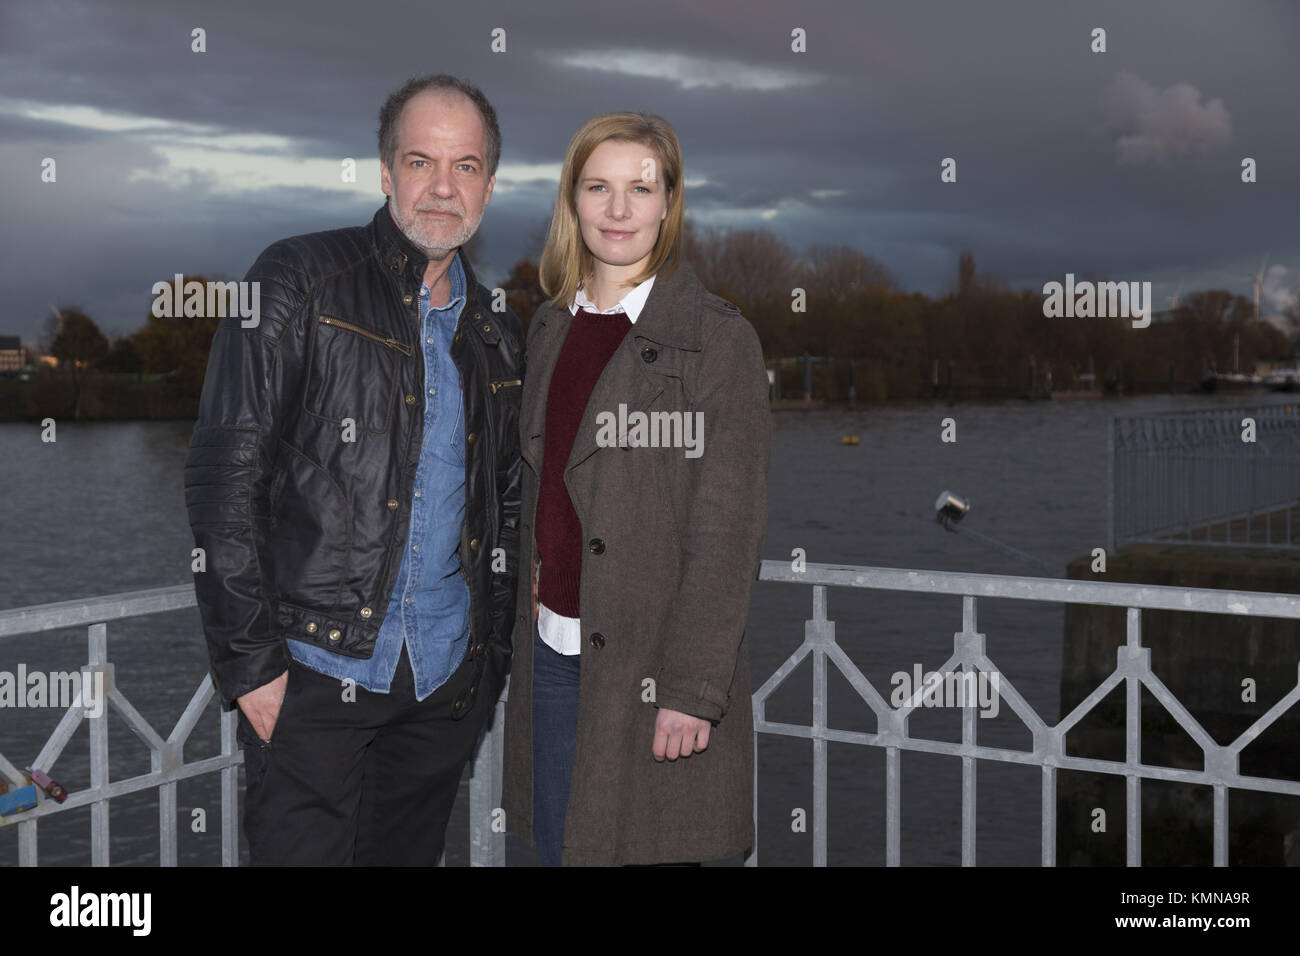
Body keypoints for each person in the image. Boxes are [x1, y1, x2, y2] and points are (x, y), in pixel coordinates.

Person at [184, 74, 523, 865]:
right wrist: (252, 669)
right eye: (420, 161)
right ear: (383, 171)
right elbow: (223, 477)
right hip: (311, 675)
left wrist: (488, 666)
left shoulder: (500, 332)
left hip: (440, 683)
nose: (443, 187)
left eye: (466, 166)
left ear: (490, 185)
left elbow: (505, 505)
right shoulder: (296, 280)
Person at [500, 112, 770, 865]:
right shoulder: (550, 327)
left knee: (652, 849)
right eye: (599, 187)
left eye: (640, 189)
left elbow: (728, 531)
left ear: (668, 203)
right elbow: (541, 483)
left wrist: (691, 686)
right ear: (573, 201)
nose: (619, 211)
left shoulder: (717, 342)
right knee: (560, 849)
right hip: (552, 659)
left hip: (655, 667)